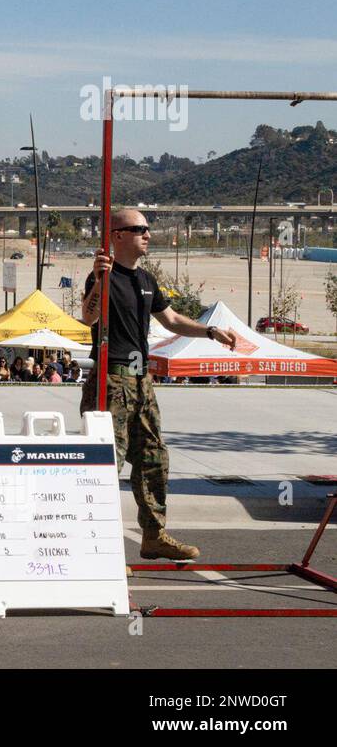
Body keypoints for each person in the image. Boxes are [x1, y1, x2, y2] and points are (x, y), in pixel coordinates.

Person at [82, 207, 239, 562]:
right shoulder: (102, 275)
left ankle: (153, 536)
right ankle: (99, 548)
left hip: (141, 381)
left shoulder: (146, 279)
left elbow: (170, 319)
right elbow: (88, 317)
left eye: (147, 228)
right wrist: (100, 281)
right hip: (111, 380)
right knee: (106, 463)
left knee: (153, 458)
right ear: (118, 235)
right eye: (140, 229)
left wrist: (210, 331)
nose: (148, 235)